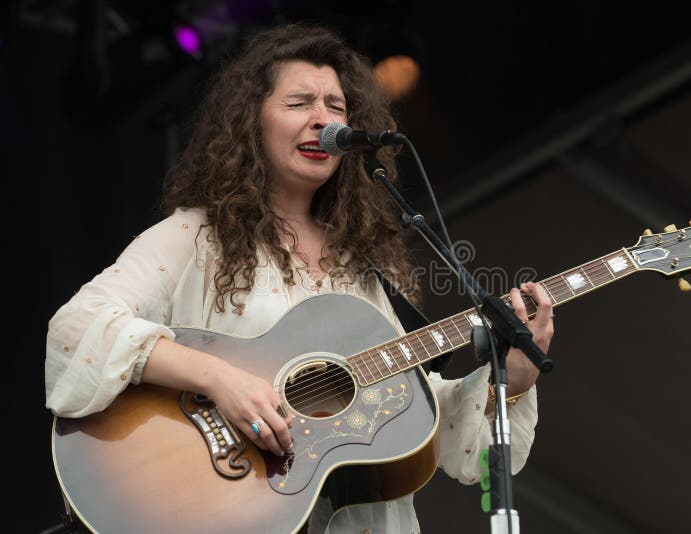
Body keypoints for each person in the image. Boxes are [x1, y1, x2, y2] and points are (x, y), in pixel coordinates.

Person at [45, 22, 554, 533]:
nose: (322, 120)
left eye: (336, 107)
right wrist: (221, 379)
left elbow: (422, 424)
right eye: (299, 103)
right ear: (251, 122)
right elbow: (77, 329)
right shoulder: (197, 235)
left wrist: (510, 380)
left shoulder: (363, 265)